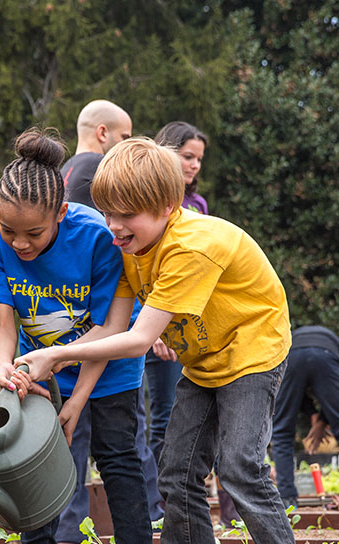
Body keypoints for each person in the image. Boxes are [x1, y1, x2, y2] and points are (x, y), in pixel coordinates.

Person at [14, 137, 311, 544]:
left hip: (252, 353)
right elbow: (116, 325)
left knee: (240, 466)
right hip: (204, 362)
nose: (113, 226)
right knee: (176, 472)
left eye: (126, 215)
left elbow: (132, 340)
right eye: (107, 213)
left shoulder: (191, 247)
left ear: (168, 207)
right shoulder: (131, 247)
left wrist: (55, 355)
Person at [0, 128, 157, 544]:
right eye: (9, 230)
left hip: (108, 364)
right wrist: (1, 367)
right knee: (40, 462)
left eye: (33, 233)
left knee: (119, 463)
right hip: (42, 369)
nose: (19, 244)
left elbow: (110, 330)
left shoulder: (96, 237)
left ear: (60, 213)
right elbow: (0, 324)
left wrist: (78, 400)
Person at [56, 100, 162, 544]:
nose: (127, 147)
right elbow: (112, 258)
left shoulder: (60, 172)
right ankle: (145, 526)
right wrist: (145, 321)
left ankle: (65, 535)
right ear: (102, 133)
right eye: (124, 137)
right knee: (121, 444)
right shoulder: (97, 172)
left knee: (71, 437)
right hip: (104, 323)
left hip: (63, 326)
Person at [143, 122, 210, 463]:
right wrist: (155, 328)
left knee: (186, 415)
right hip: (154, 321)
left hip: (189, 324)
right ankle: (157, 502)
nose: (194, 165)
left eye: (198, 159)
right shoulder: (146, 202)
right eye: (187, 156)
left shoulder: (197, 204)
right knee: (161, 414)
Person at [270, 326, 339, 507]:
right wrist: (319, 416)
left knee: (282, 433)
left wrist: (319, 419)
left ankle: (286, 497)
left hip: (291, 355)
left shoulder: (295, 338)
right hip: (326, 356)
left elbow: (296, 394)